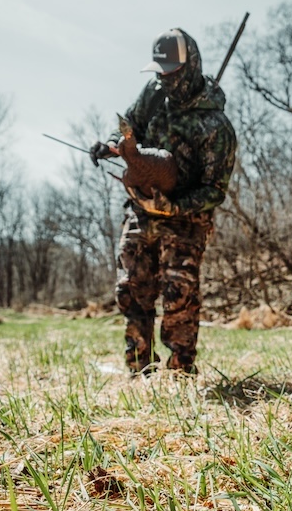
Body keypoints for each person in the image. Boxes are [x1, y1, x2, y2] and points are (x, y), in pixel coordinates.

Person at [90, 28, 237, 374]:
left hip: (187, 218)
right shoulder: (154, 94)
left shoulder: (217, 128)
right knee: (131, 287)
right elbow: (130, 126)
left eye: (172, 72)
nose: (165, 79)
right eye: (160, 72)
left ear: (191, 66)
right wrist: (111, 145)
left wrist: (175, 208)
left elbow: (214, 190)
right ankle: (139, 370)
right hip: (142, 207)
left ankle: (180, 374)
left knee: (178, 295)